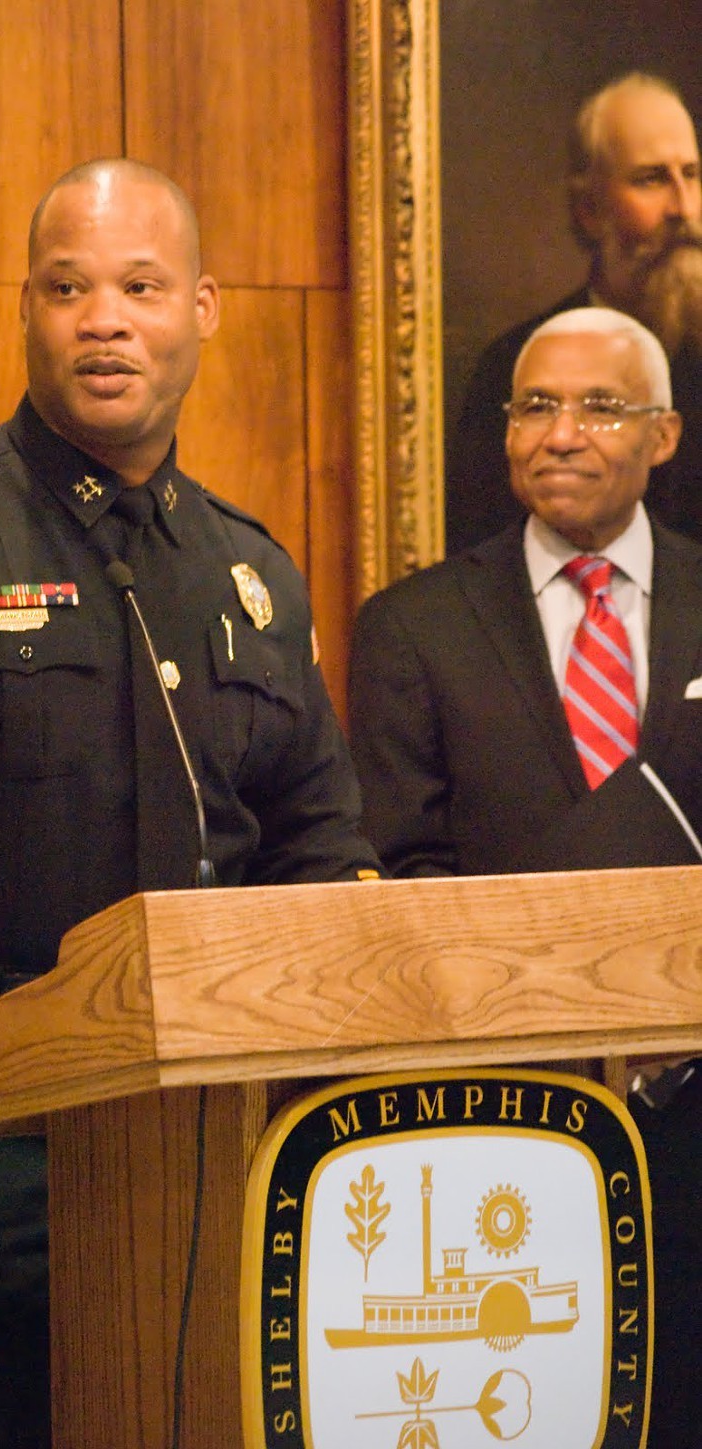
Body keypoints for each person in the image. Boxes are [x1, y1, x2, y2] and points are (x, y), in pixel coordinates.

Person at [0, 158, 380, 1448]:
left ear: (201, 308)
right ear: (24, 310)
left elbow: (317, 836)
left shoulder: (251, 573)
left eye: (140, 287)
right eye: (68, 287)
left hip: (220, 1119)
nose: (105, 321)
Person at [349, 306, 702, 1442]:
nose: (560, 433)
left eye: (600, 406)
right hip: (509, 1123)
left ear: (663, 435)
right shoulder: (411, 628)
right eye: (534, 406)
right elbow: (402, 874)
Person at [448, 72, 702, 553]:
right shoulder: (510, 367)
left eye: (691, 174)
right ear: (590, 209)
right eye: (651, 180)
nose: (684, 208)